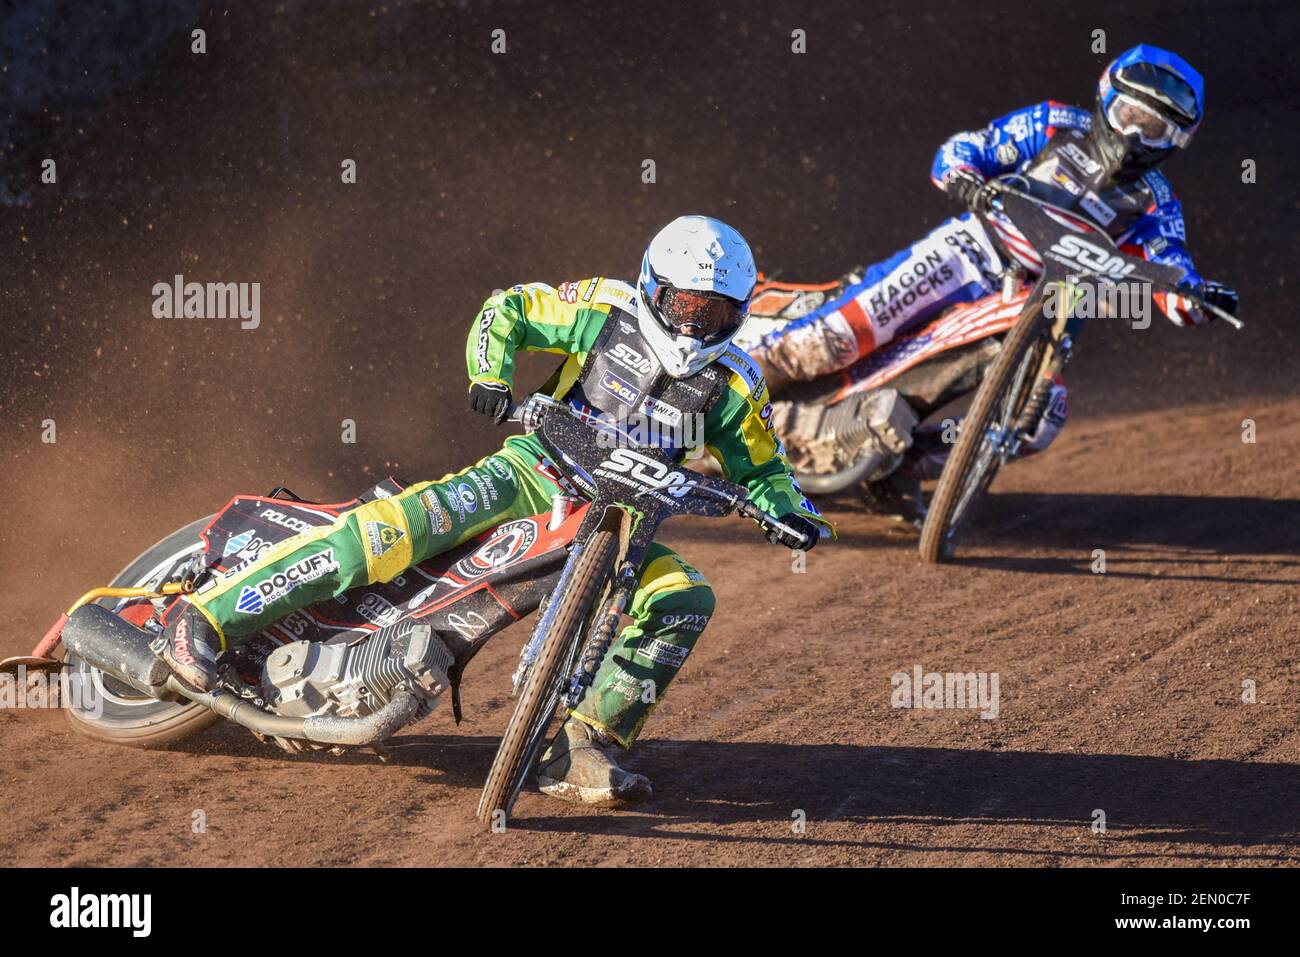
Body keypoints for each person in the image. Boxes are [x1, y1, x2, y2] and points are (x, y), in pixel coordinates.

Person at [159, 215, 832, 806]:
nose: (692, 324)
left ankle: (581, 743)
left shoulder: (735, 383)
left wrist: (789, 512)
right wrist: (490, 374)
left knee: (686, 597)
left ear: (739, 312)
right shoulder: (605, 307)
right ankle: (208, 615)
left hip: (624, 522)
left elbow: (764, 468)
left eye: (712, 313)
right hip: (529, 475)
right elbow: (508, 309)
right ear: (652, 285)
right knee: (396, 530)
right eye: (683, 304)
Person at [750, 44, 1239, 402]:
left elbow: (1171, 274)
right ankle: (728, 391)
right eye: (1129, 115)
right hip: (973, 251)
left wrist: (1199, 297)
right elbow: (965, 149)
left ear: (1175, 141)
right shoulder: (1053, 124)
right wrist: (965, 177)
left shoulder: (1156, 205)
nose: (1134, 136)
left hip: (1053, 302)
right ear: (1106, 98)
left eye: (1154, 130)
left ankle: (905, 464)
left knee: (1045, 415)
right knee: (833, 340)